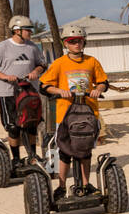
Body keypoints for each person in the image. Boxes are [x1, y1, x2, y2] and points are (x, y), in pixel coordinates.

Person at [39, 25, 108, 200]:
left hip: (89, 112)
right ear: (66, 44)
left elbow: (103, 82)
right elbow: (44, 86)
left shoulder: (92, 61)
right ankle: (61, 186)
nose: (76, 44)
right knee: (64, 152)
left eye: (79, 41)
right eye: (72, 41)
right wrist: (59, 91)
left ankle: (86, 184)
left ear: (84, 41)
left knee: (86, 150)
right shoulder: (59, 63)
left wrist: (98, 90)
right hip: (65, 115)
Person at [0, 16, 47, 164]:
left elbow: (42, 64)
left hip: (30, 92)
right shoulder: (2, 47)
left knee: (31, 124)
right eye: (27, 30)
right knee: (13, 127)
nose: (30, 32)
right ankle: (16, 159)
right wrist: (4, 76)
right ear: (16, 30)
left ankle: (32, 156)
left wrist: (36, 71)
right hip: (9, 92)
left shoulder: (32, 47)